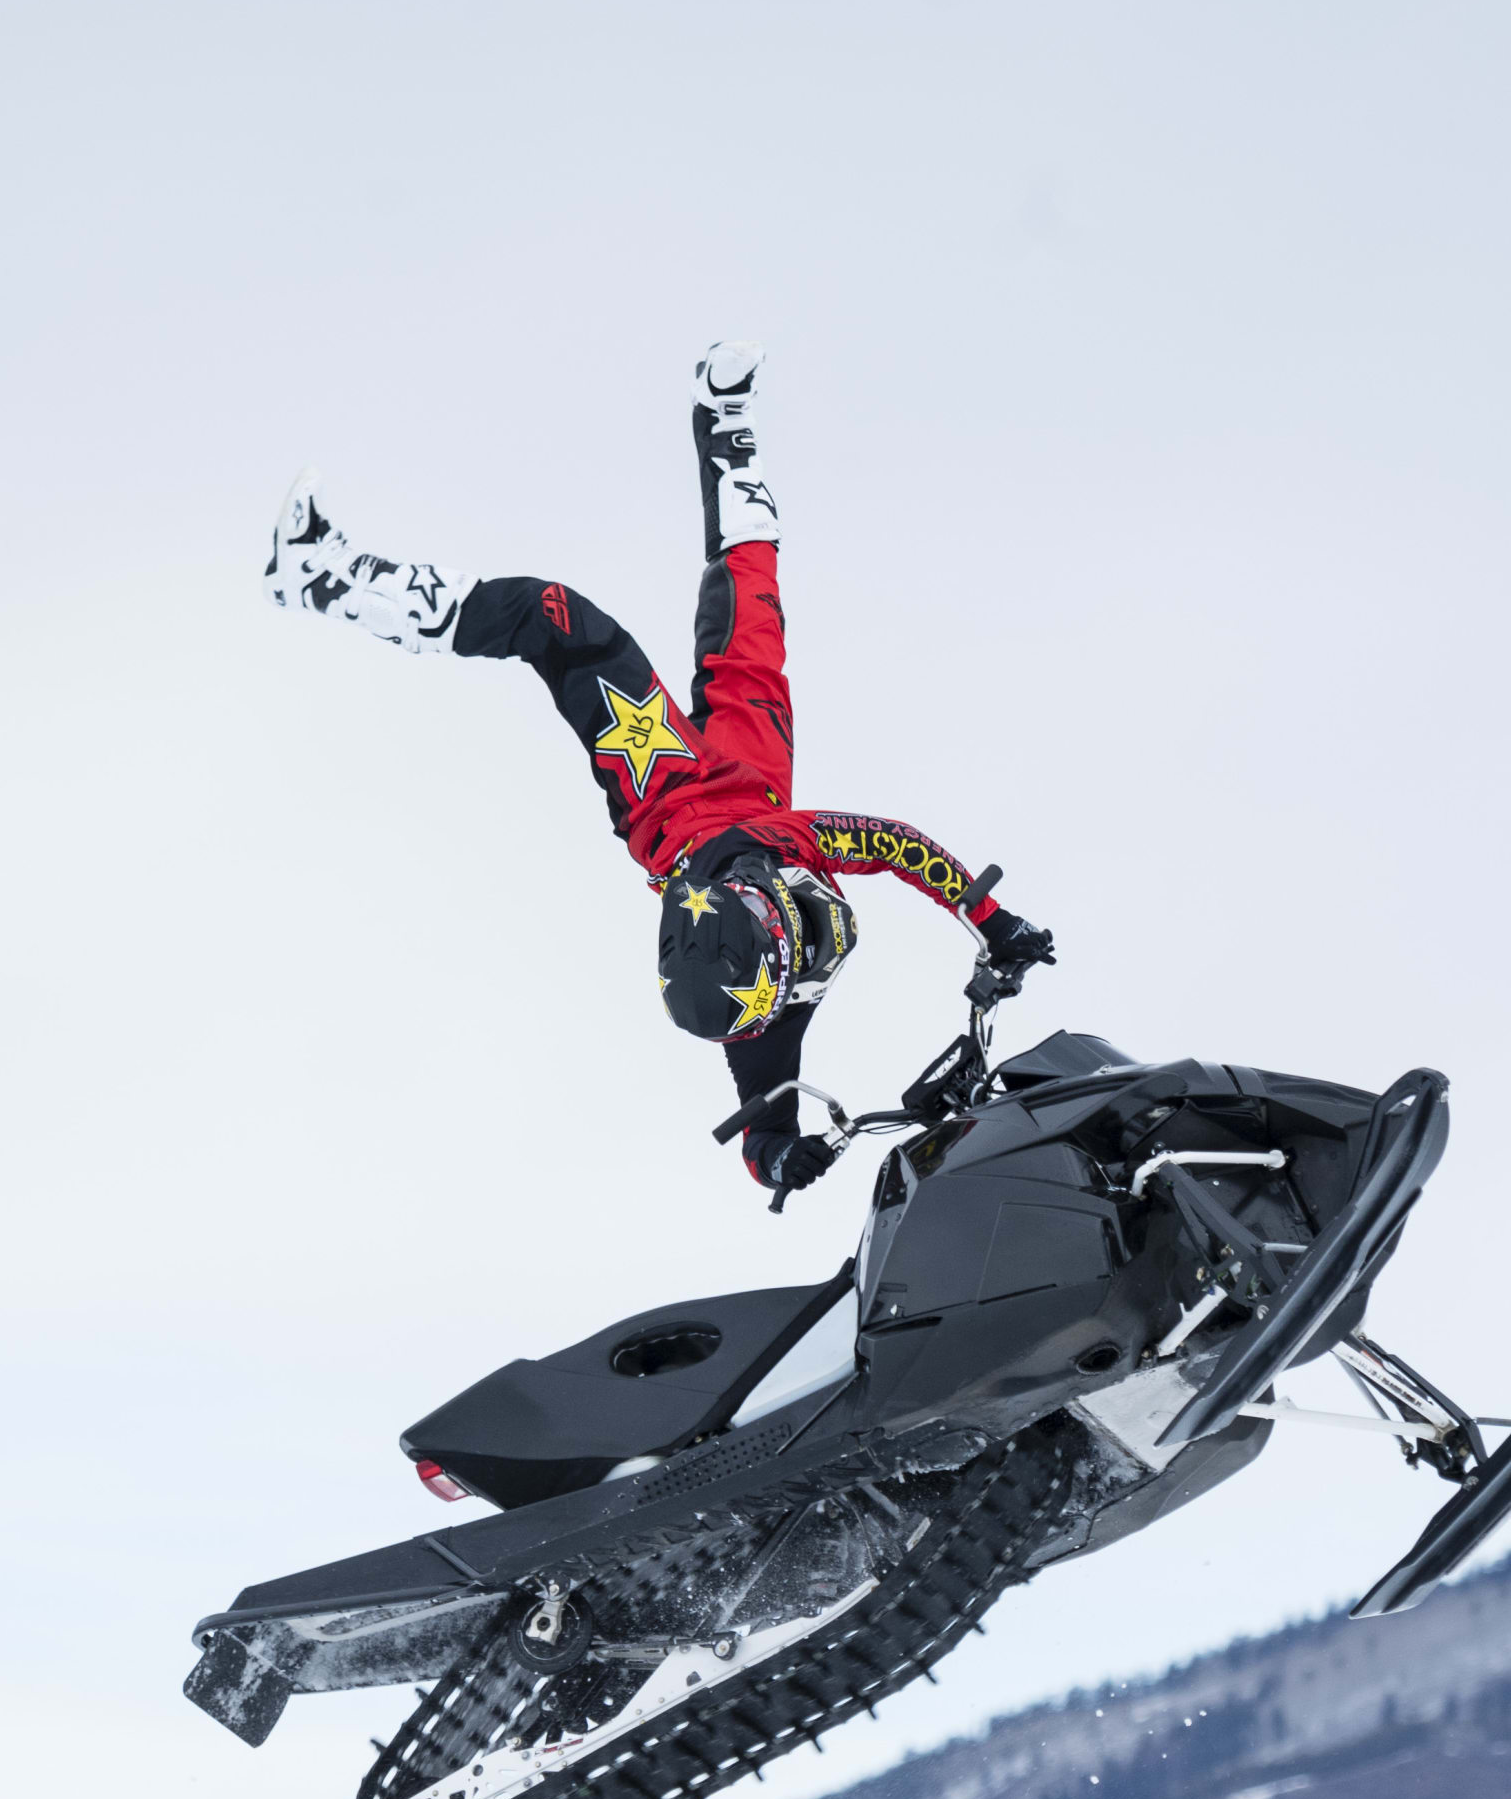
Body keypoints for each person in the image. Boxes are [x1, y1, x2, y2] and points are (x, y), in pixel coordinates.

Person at [262, 344, 1057, 1199]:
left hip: (669, 787)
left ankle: (322, 577)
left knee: (556, 620)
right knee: (751, 587)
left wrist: (989, 916)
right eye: (774, 913)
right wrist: (991, 924)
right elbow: (765, 1128)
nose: (778, 899)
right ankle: (724, 422)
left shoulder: (766, 871)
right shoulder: (761, 1005)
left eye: (766, 901)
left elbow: (893, 847)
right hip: (757, 770)